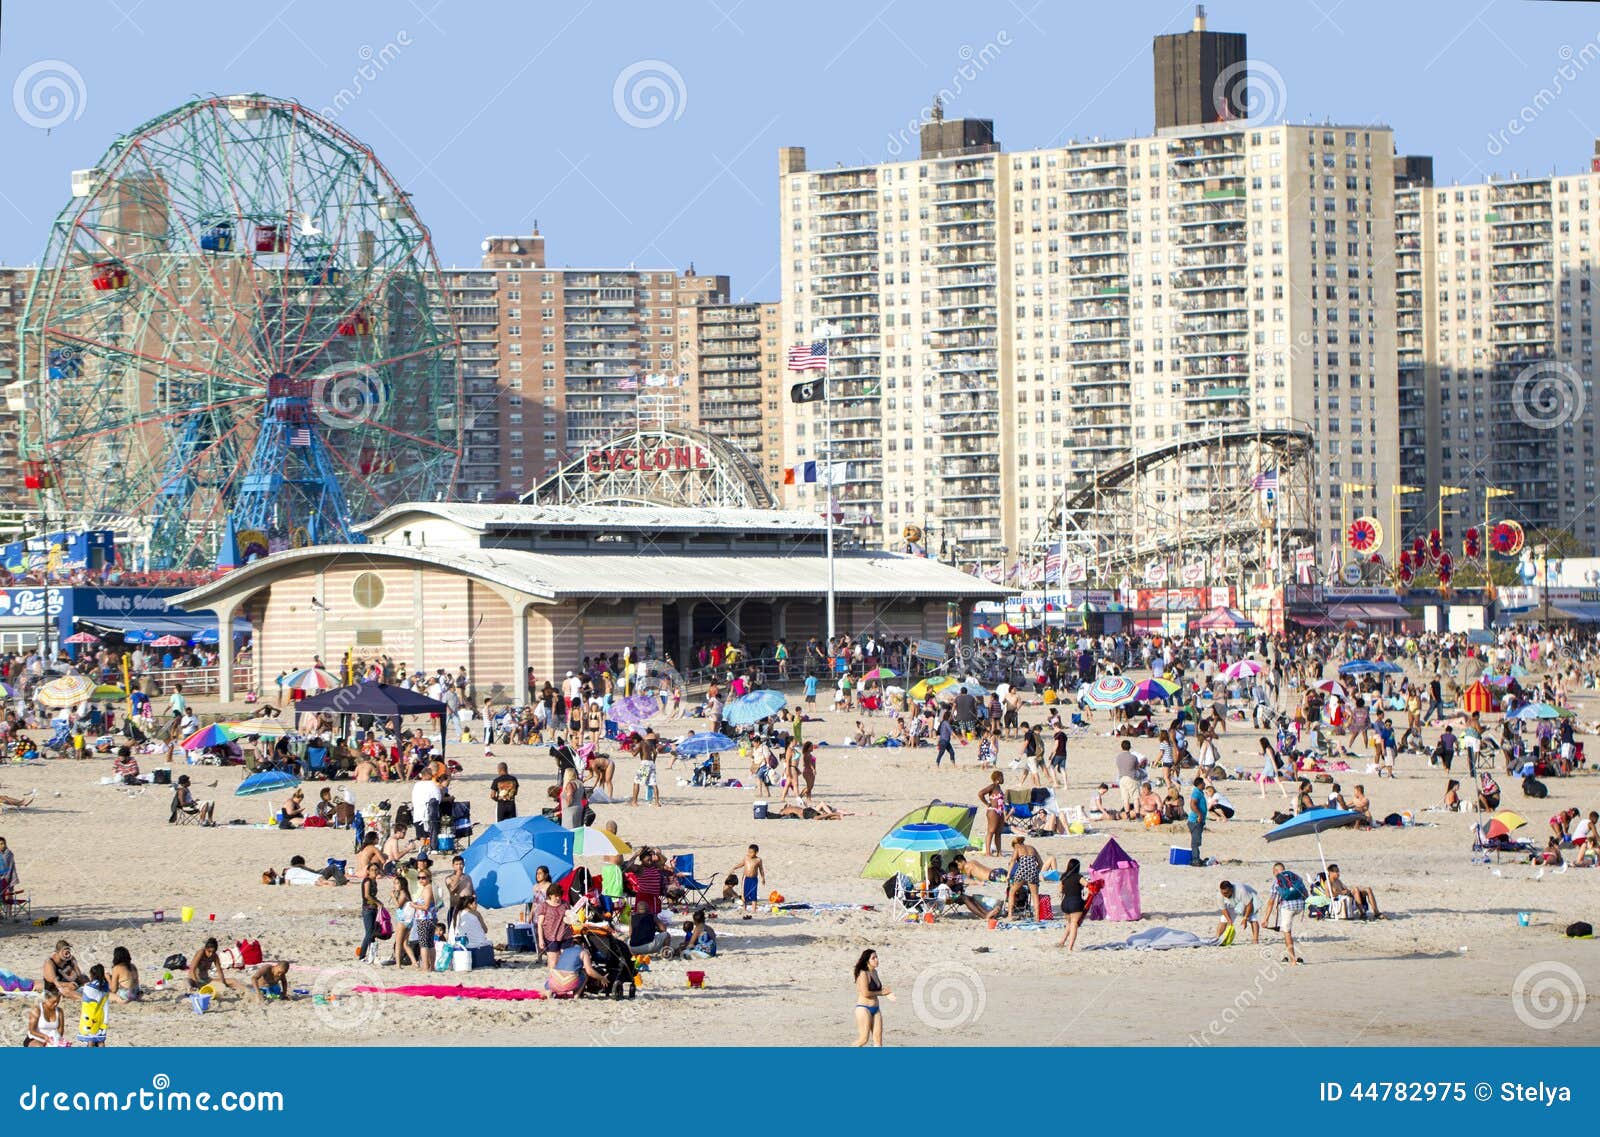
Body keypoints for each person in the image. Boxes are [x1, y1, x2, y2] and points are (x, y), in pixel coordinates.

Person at [1270, 862, 1308, 965]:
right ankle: (1292, 958)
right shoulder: (1295, 877)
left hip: (1287, 907)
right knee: (1288, 928)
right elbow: (1305, 893)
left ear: (1275, 872)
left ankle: (1293, 960)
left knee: (1287, 932)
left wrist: (1265, 918)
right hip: (1299, 906)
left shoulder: (1277, 882)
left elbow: (1271, 902)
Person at [852, 948, 892, 1047]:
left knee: (878, 1041)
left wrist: (888, 993)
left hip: (876, 1009)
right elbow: (866, 993)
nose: (876, 960)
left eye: (876, 957)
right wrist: (882, 993)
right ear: (867, 961)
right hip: (864, 1008)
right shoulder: (863, 973)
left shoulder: (875, 972)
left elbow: (877, 989)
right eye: (873, 958)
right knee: (863, 1039)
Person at [1003, 836, 1042, 921]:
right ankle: (1037, 917)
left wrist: (1008, 875)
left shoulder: (1017, 848)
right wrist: (1036, 872)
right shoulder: (1032, 848)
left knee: (1012, 892)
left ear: (1015, 845)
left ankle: (1010, 914)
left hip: (1022, 871)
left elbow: (1013, 861)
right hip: (1033, 871)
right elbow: (1040, 863)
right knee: (1035, 895)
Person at [1055, 858, 1087, 950]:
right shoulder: (1078, 877)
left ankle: (1062, 941)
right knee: (1074, 924)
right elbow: (1088, 885)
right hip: (1076, 902)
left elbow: (1060, 890)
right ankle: (1070, 947)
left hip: (1065, 903)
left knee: (1069, 923)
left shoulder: (1064, 876)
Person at [411, 867, 438, 972]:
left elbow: (426, 906)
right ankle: (431, 967)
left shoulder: (427, 888)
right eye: (419, 878)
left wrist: (414, 906)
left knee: (424, 944)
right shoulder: (431, 887)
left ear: (429, 878)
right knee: (430, 943)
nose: (421, 880)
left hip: (425, 919)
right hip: (431, 918)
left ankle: (426, 967)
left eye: (423, 878)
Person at [1217, 879, 1260, 944]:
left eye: (1226, 893)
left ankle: (1255, 940)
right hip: (1232, 901)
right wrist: (1229, 920)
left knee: (1252, 918)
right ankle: (1217, 939)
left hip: (1248, 898)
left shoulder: (1241, 890)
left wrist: (1245, 918)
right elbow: (1223, 909)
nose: (1224, 895)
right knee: (1224, 919)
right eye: (1222, 893)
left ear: (1231, 890)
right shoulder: (1220, 894)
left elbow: (1249, 904)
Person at [76, 964, 108, 1046]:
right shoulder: (105, 985)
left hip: (90, 1015)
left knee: (91, 1039)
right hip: (102, 1015)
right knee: (100, 1040)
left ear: (92, 975)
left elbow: (85, 999)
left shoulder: (89, 986)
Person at [732, 844, 765, 920]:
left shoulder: (758, 860)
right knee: (745, 894)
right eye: (748, 852)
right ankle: (744, 908)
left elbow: (761, 869)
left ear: (756, 852)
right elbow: (742, 864)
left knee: (754, 894)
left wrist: (763, 878)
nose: (749, 854)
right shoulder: (746, 858)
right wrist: (735, 867)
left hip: (754, 879)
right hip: (746, 878)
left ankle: (753, 910)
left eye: (751, 852)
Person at [979, 771, 1007, 856]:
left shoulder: (999, 787)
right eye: (1002, 777)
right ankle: (988, 852)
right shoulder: (993, 786)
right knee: (991, 831)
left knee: (998, 832)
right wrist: (987, 803)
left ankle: (999, 852)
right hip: (993, 810)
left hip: (1000, 811)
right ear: (998, 778)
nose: (1003, 779)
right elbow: (980, 793)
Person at [1186, 776, 1209, 865]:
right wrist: (1199, 814)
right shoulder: (1196, 792)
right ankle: (1195, 859)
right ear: (1200, 784)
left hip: (1199, 821)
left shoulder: (1200, 792)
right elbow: (1192, 805)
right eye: (1203, 783)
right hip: (1195, 821)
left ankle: (1196, 858)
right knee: (1195, 842)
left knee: (1197, 840)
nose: (1205, 784)